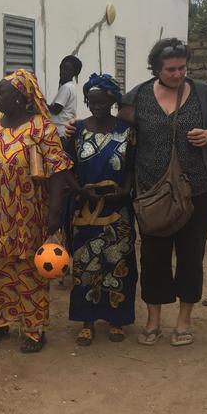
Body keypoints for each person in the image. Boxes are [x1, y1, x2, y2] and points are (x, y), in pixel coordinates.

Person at [118, 38, 207, 347]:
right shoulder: (138, 96)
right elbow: (115, 129)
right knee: (153, 255)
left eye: (182, 68)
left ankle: (183, 321)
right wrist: (76, 127)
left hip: (199, 189)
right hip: (152, 190)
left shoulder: (205, 95)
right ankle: (153, 321)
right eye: (170, 69)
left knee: (191, 254)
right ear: (156, 69)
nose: (178, 74)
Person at [0, 69, 73, 353]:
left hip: (27, 212)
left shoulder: (42, 128)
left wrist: (55, 212)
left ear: (21, 98)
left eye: (3, 93)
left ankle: (33, 329)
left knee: (27, 269)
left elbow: (58, 169)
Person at [64, 73, 137, 345]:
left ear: (112, 101)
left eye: (102, 103)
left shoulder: (127, 129)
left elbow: (131, 166)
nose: (96, 107)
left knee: (118, 262)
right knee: (85, 265)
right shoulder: (78, 129)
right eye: (91, 102)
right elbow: (66, 164)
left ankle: (116, 319)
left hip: (118, 210)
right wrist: (79, 189)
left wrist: (125, 189)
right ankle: (87, 321)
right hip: (85, 208)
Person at [49, 55, 83, 136]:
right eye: (63, 68)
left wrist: (40, 102)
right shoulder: (69, 86)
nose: (64, 72)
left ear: (74, 73)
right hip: (64, 130)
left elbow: (56, 110)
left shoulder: (67, 87)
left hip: (61, 131)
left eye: (69, 70)